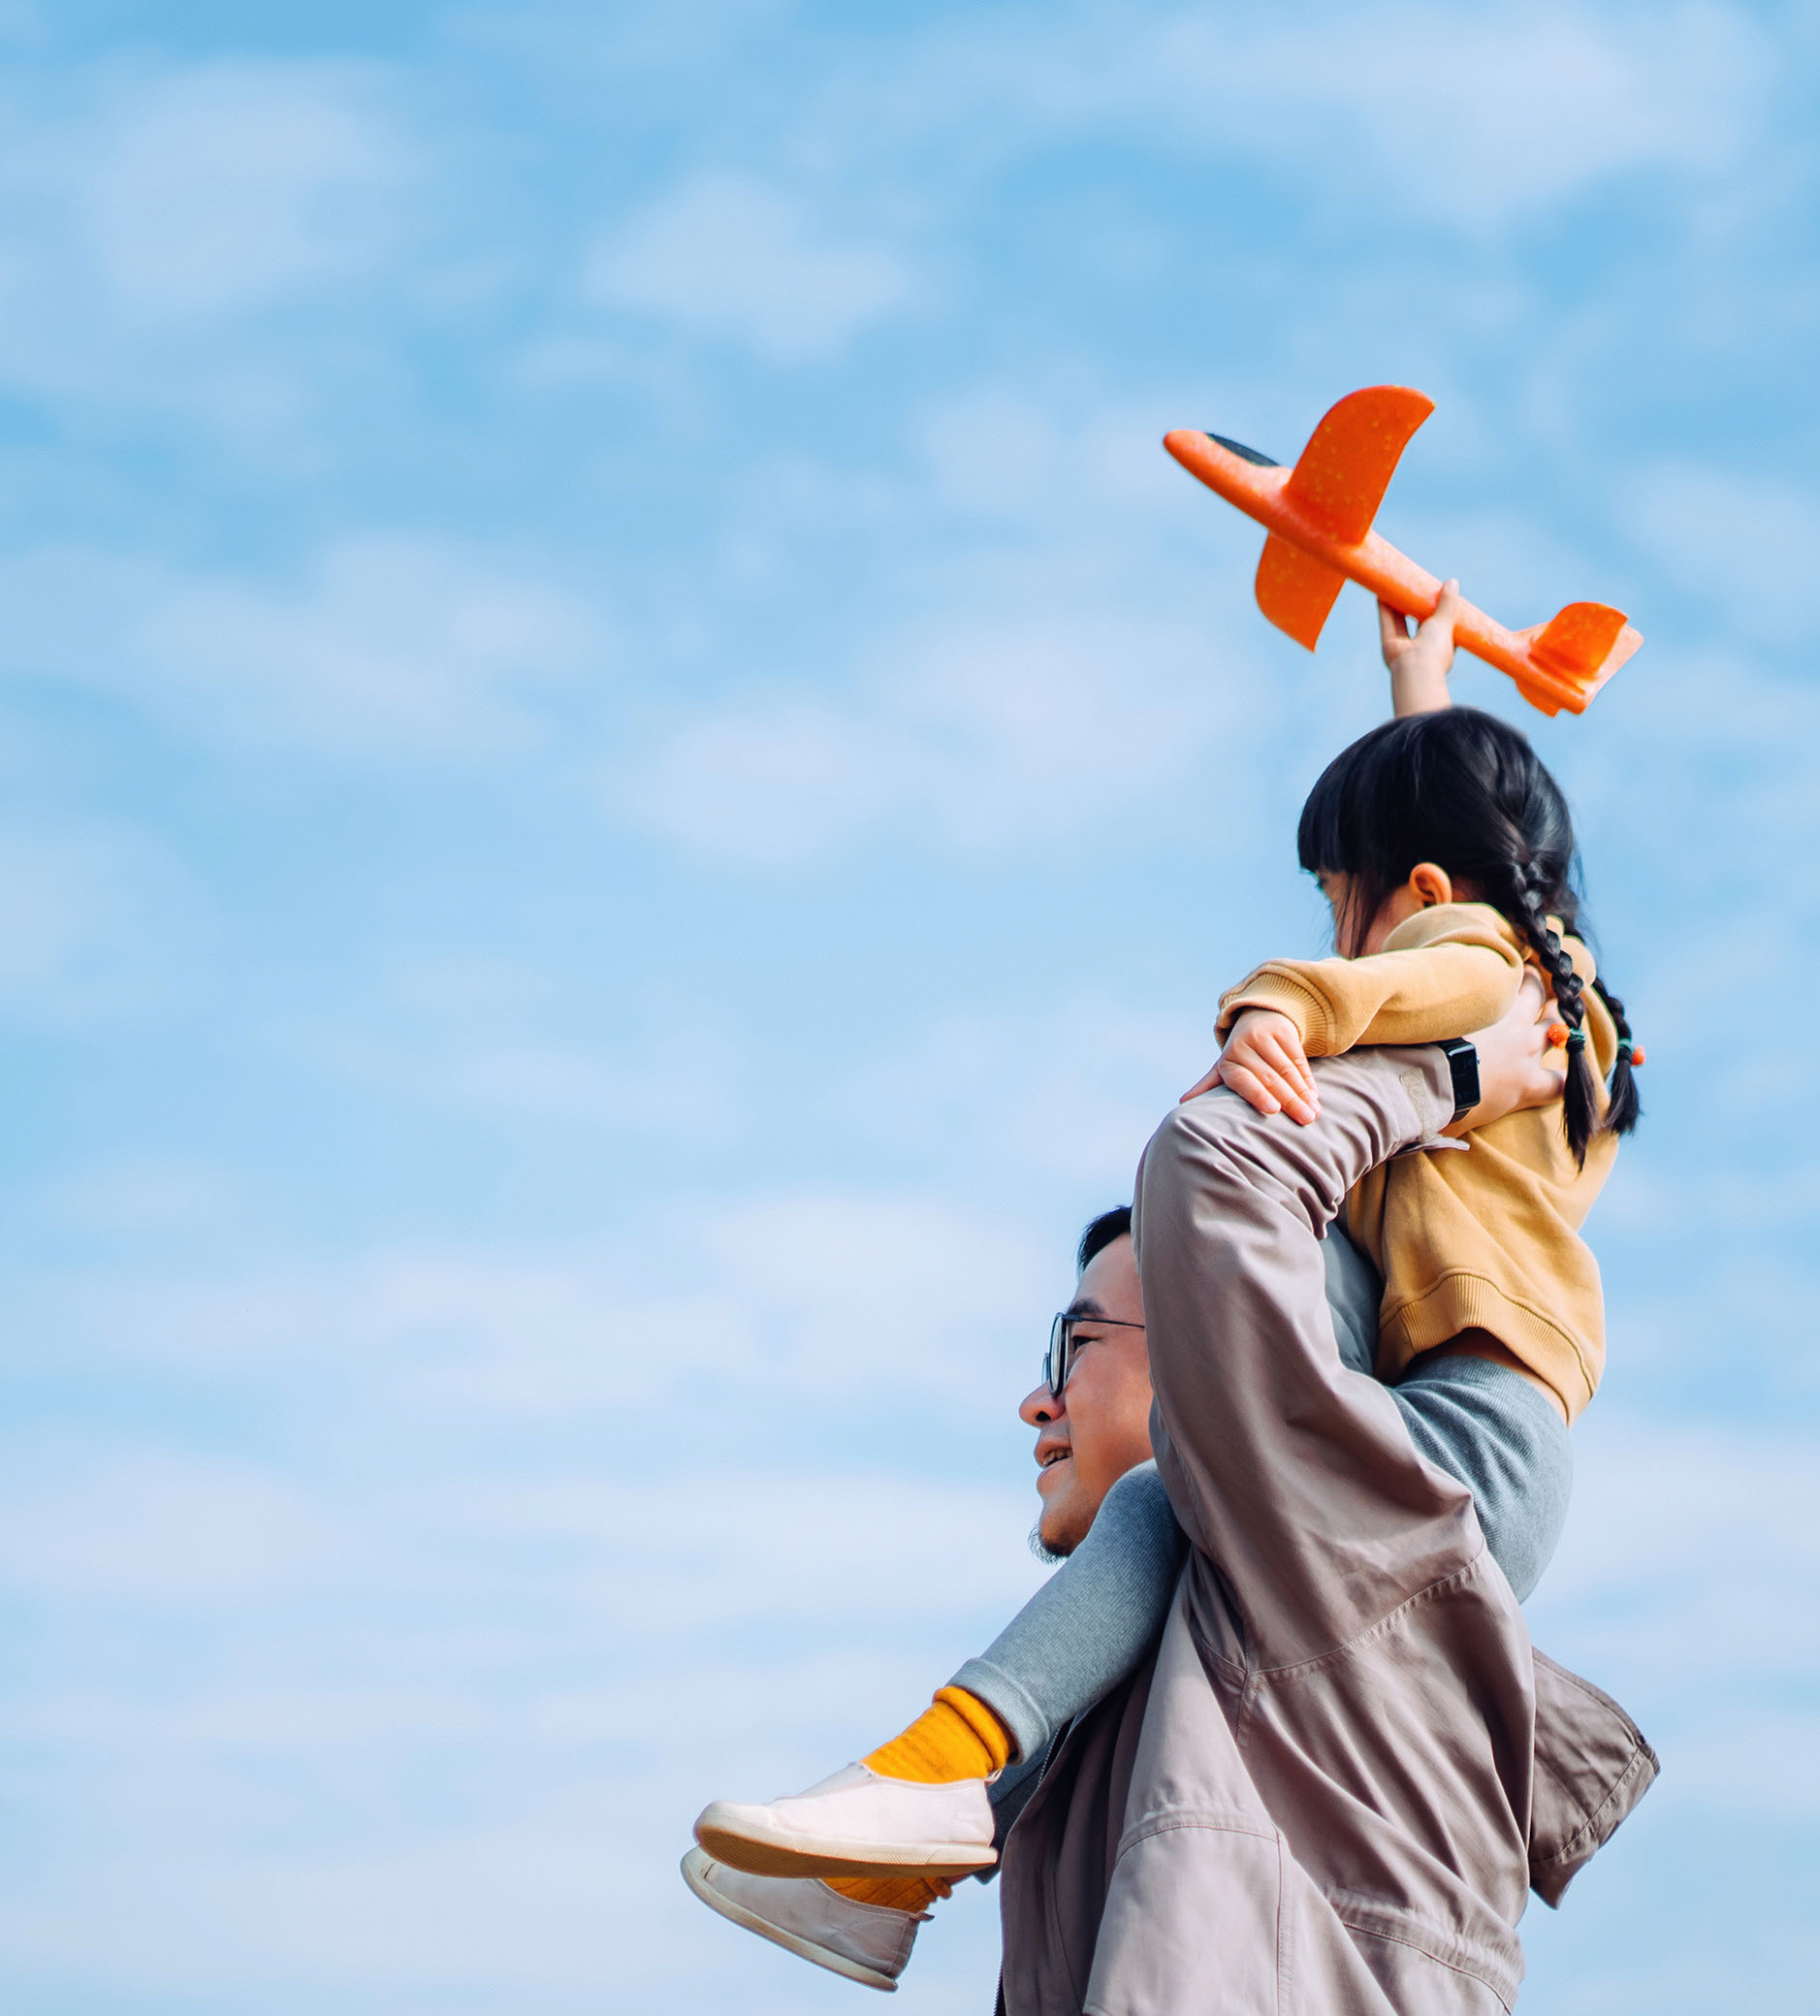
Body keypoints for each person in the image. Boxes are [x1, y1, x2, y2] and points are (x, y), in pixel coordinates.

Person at [694, 590, 1643, 1904]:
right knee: (1189, 1553)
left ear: (1421, 893)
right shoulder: (1549, 996)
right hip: (1496, 1453)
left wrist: (1270, 1007)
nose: (1331, 932)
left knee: (1163, 1494)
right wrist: (1418, 694)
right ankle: (945, 1805)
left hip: (1462, 1443)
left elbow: (1401, 975)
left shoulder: (1487, 970)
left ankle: (943, 1767)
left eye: (1335, 901)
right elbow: (1439, 914)